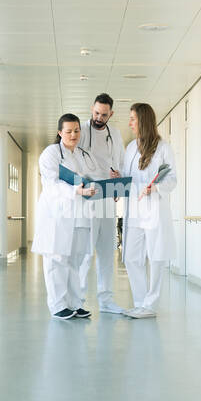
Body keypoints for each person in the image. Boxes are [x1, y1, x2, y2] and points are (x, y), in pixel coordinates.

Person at [31, 114, 98, 321]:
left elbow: (91, 177)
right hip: (57, 215)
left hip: (79, 215)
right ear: (60, 132)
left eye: (76, 130)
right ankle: (58, 305)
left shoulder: (83, 155)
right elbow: (51, 184)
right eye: (68, 131)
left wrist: (93, 187)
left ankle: (75, 304)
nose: (73, 135)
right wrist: (74, 191)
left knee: (76, 261)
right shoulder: (50, 154)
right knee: (57, 260)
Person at [121, 103, 178, 319]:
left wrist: (155, 187)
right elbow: (128, 178)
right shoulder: (130, 148)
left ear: (143, 120)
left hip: (154, 208)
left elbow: (172, 179)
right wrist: (119, 179)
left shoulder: (163, 148)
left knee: (156, 257)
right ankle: (140, 302)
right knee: (131, 257)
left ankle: (151, 304)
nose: (130, 123)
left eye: (133, 119)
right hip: (134, 210)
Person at [77, 93, 126, 315]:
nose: (99, 117)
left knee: (107, 250)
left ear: (111, 114)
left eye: (104, 115)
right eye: (96, 113)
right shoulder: (80, 130)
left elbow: (121, 165)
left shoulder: (115, 134)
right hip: (87, 197)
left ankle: (106, 301)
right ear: (92, 108)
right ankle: (77, 300)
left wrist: (118, 180)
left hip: (107, 197)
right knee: (85, 251)